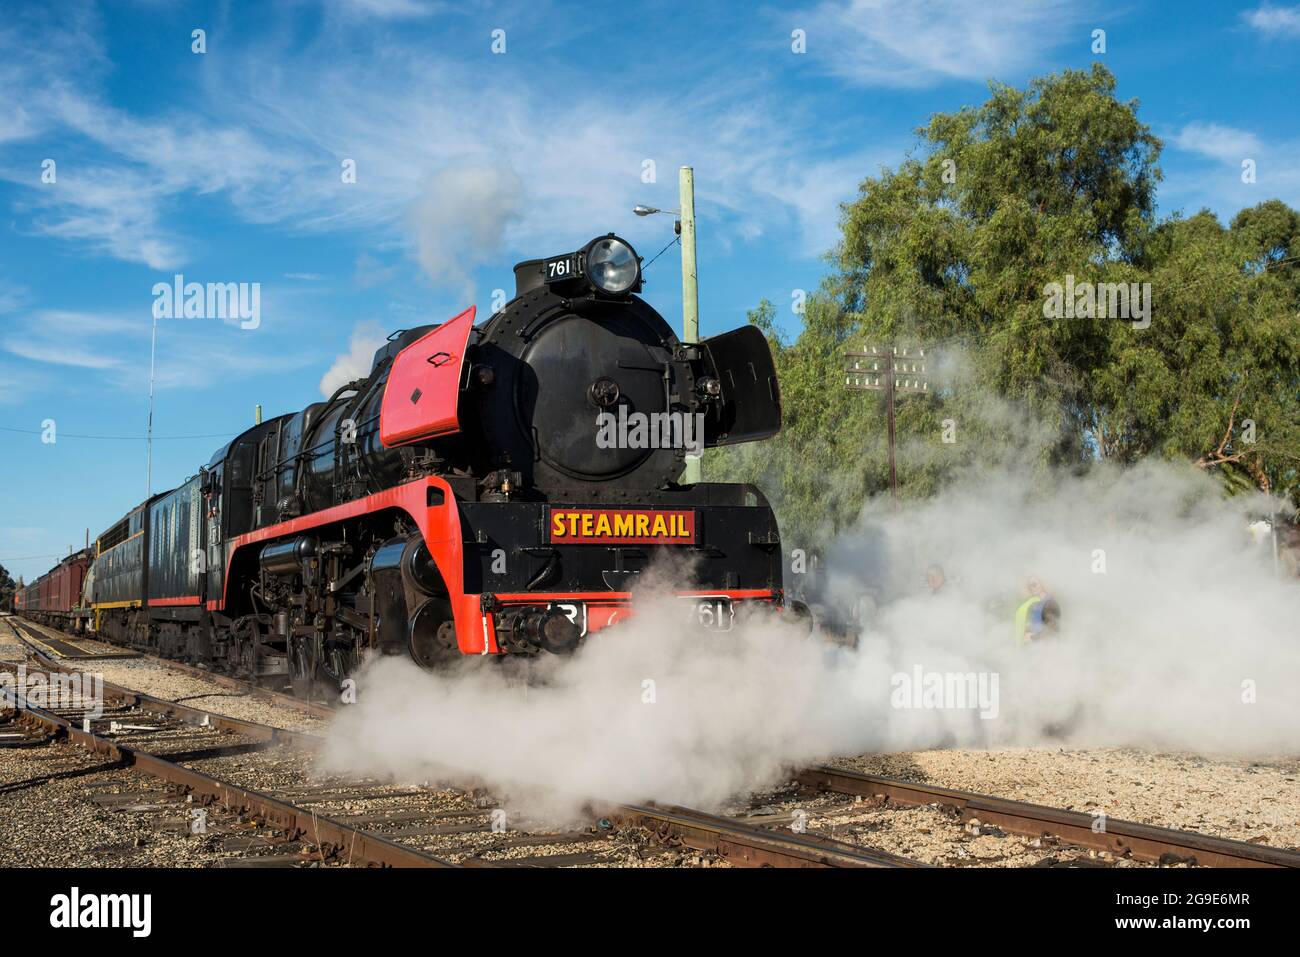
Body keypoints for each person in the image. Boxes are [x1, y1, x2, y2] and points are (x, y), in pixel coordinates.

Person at [1014, 575, 1057, 644]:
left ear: (1043, 584)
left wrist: (1033, 637)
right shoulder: (1036, 604)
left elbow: (1051, 631)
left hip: (1045, 649)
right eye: (1029, 586)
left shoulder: (1050, 604)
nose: (1032, 588)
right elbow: (1036, 624)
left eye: (1034, 584)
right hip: (1034, 648)